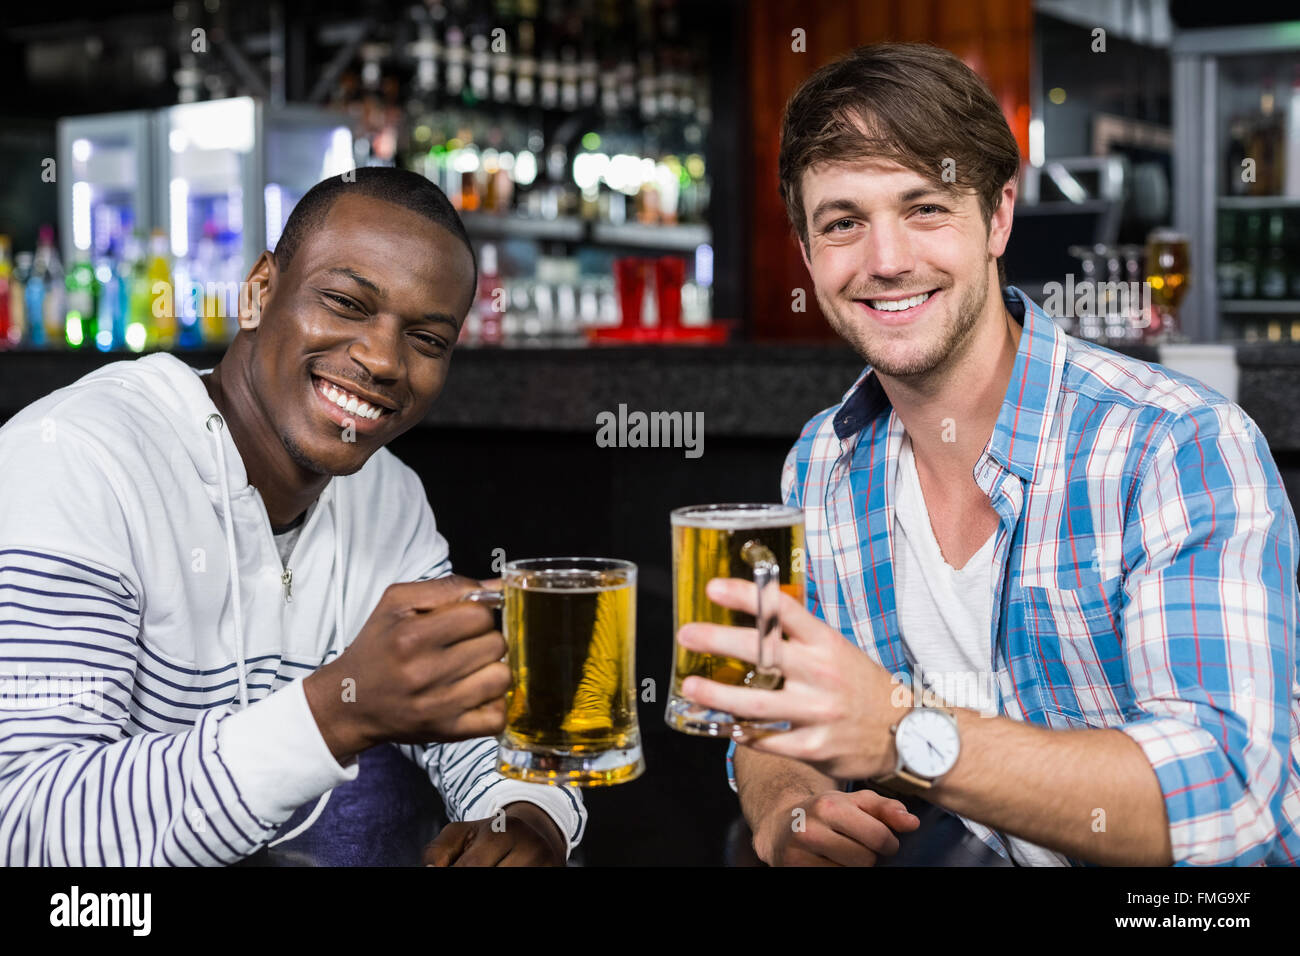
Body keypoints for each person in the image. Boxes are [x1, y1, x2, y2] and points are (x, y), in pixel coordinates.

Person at [678, 43, 1299, 866]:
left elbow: (1231, 796)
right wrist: (785, 806)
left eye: (925, 208)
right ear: (806, 251)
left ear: (1000, 216)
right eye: (843, 222)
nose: (887, 261)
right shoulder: (824, 462)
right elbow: (778, 712)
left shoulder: (1172, 443)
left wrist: (901, 731)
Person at [0, 168, 584, 866]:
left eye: (427, 340)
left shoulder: (387, 498)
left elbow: (465, 709)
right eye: (346, 303)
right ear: (258, 291)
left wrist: (530, 813)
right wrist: (336, 713)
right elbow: (23, 822)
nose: (382, 360)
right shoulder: (75, 460)